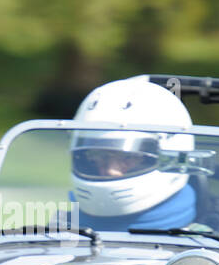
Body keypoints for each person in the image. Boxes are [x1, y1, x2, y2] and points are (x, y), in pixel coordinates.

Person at [69, 76, 197, 231]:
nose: (111, 171)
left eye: (128, 157)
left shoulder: (204, 244)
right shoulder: (61, 229)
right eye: (98, 155)